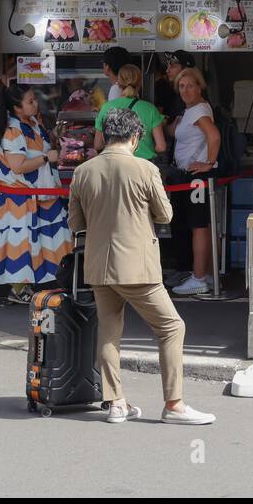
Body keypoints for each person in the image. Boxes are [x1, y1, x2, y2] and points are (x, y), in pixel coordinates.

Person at [68, 108, 215, 425]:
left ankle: (116, 403)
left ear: (106, 136)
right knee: (171, 327)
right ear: (135, 138)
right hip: (137, 266)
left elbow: (76, 223)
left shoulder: (83, 172)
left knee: (108, 332)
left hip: (98, 265)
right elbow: (165, 214)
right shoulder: (145, 169)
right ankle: (173, 404)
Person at [0, 83, 72, 303]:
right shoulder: (12, 129)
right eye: (30, 101)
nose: (36, 104)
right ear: (17, 107)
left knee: (40, 242)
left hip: (40, 195)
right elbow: (18, 166)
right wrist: (47, 158)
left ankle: (40, 283)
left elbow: (39, 149)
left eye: (34, 99)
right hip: (20, 200)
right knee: (23, 244)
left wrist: (54, 135)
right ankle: (18, 288)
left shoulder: (33, 123)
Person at [166, 67, 220, 296]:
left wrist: (208, 162)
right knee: (201, 226)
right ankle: (203, 272)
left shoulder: (198, 110)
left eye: (190, 85)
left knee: (198, 226)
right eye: (181, 86)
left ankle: (198, 279)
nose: (185, 90)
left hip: (196, 177)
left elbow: (214, 135)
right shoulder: (193, 110)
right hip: (192, 176)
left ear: (200, 86)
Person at [94, 64, 167, 158]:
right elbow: (161, 147)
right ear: (140, 83)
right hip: (144, 166)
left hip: (118, 165)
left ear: (118, 83)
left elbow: (98, 145)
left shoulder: (106, 108)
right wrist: (147, 149)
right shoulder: (150, 109)